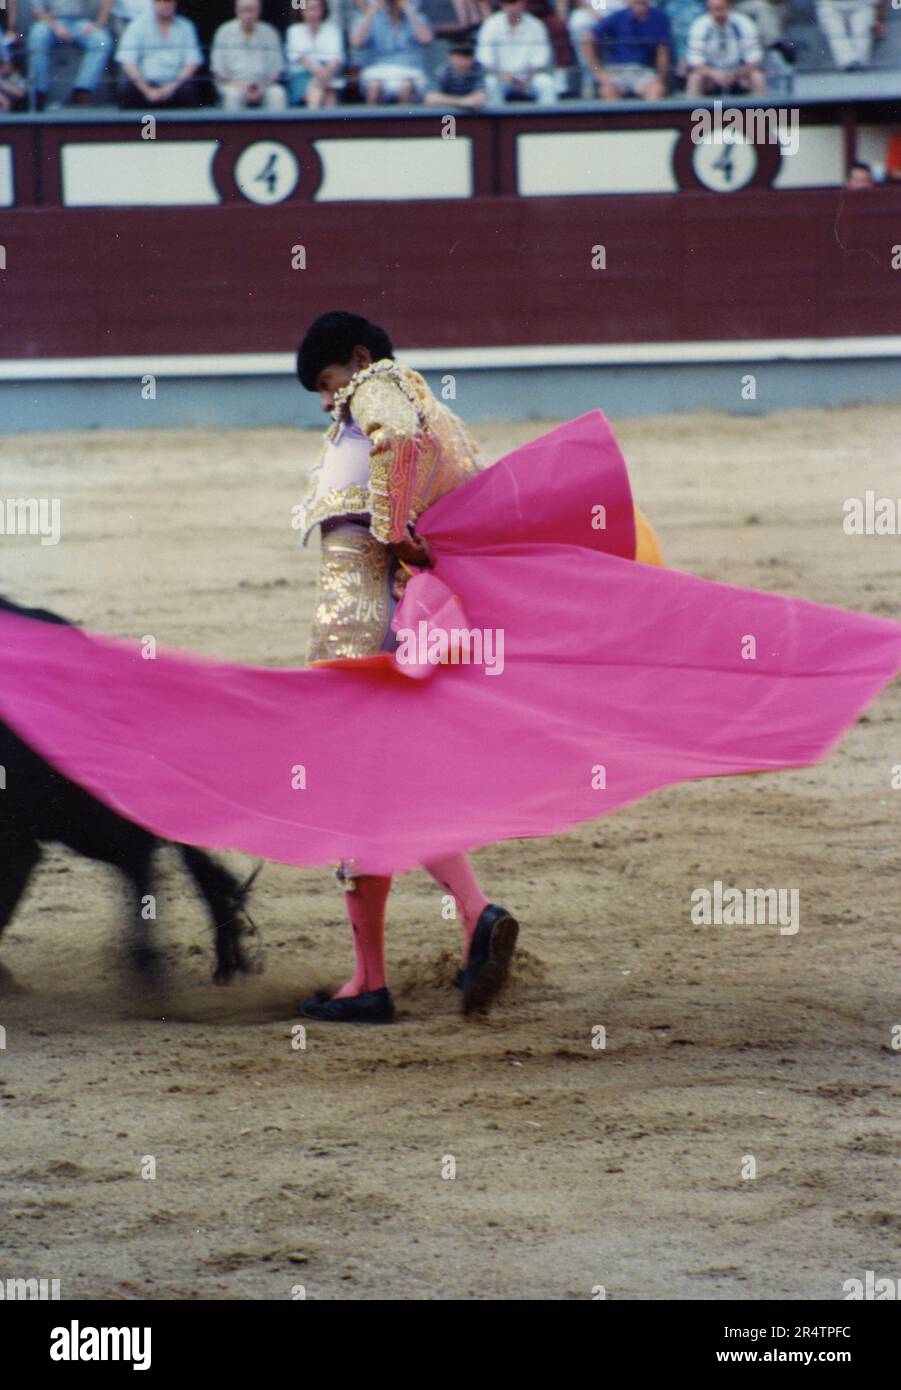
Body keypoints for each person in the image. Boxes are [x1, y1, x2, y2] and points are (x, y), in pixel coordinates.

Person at [292, 311, 520, 1023]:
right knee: (385, 795)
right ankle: (459, 928)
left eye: (329, 383)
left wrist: (397, 536)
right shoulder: (432, 406)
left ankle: (378, 979)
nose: (331, 401)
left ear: (357, 358)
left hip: (366, 635)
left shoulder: (380, 386)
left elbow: (399, 442)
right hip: (383, 626)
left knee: (362, 796)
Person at [27, 0, 113, 109]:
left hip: (79, 22)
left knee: (101, 40)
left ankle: (83, 91)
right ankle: (39, 93)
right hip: (50, 22)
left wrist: (100, 23)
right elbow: (37, 10)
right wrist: (56, 27)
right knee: (37, 36)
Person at [116, 0, 201, 106]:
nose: (166, 5)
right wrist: (147, 91)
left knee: (189, 94)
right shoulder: (137, 25)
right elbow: (127, 61)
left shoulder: (186, 27)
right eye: (161, 2)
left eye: (169, 2)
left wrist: (171, 88)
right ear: (153, 3)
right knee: (127, 93)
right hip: (145, 86)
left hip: (176, 86)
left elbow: (192, 62)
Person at [581, 0, 671, 100]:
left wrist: (662, 81)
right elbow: (587, 39)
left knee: (657, 90)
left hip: (643, 71)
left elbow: (662, 53)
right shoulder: (617, 17)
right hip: (616, 70)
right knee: (607, 91)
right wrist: (598, 72)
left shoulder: (659, 18)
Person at [351, 0, 433, 105]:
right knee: (374, 86)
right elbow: (356, 42)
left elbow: (426, 39)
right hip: (378, 68)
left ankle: (405, 120)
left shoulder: (416, 16)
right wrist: (372, 11)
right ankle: (372, 121)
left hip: (409, 68)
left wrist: (409, 10)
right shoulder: (370, 17)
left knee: (405, 86)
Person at [475, 0, 557, 105]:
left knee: (546, 84)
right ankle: (498, 121)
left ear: (523, 3)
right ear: (501, 4)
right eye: (507, 3)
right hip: (501, 78)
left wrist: (527, 78)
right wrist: (503, 76)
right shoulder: (490, 25)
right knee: (489, 83)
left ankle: (547, 121)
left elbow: (541, 60)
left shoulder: (536, 25)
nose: (511, 7)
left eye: (515, 2)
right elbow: (484, 61)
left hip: (529, 78)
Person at [210, 0, 286, 111]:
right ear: (237, 11)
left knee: (277, 94)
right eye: (245, 10)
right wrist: (240, 86)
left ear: (259, 11)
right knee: (233, 96)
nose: (248, 14)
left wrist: (263, 87)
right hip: (232, 84)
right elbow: (218, 68)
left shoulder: (270, 32)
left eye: (252, 10)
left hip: (264, 85)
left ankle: (276, 129)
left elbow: (277, 69)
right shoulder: (224, 32)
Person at [685, 0, 764, 95]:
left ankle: (761, 109)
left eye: (720, 9)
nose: (716, 14)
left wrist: (737, 73)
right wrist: (714, 74)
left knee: (757, 77)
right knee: (695, 78)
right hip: (710, 75)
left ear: (729, 8)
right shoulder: (700, 25)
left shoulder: (744, 23)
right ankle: (692, 109)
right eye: (712, 10)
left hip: (739, 74)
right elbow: (695, 62)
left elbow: (754, 59)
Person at [285, 0, 344, 108]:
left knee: (329, 94)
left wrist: (324, 76)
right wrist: (321, 77)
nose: (312, 13)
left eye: (315, 9)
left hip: (328, 76)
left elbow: (336, 60)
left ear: (322, 10)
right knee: (316, 91)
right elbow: (302, 59)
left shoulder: (332, 30)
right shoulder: (294, 31)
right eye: (308, 9)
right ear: (302, 11)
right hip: (302, 77)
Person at [814, 0, 884, 71]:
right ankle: (847, 63)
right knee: (835, 32)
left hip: (862, 4)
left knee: (862, 47)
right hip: (829, 4)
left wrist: (879, 19)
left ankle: (858, 63)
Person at [425, 33, 487, 106]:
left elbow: (480, 99)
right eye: (459, 57)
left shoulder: (477, 68)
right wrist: (462, 102)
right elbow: (430, 99)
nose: (463, 62)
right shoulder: (444, 71)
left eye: (467, 57)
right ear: (450, 57)